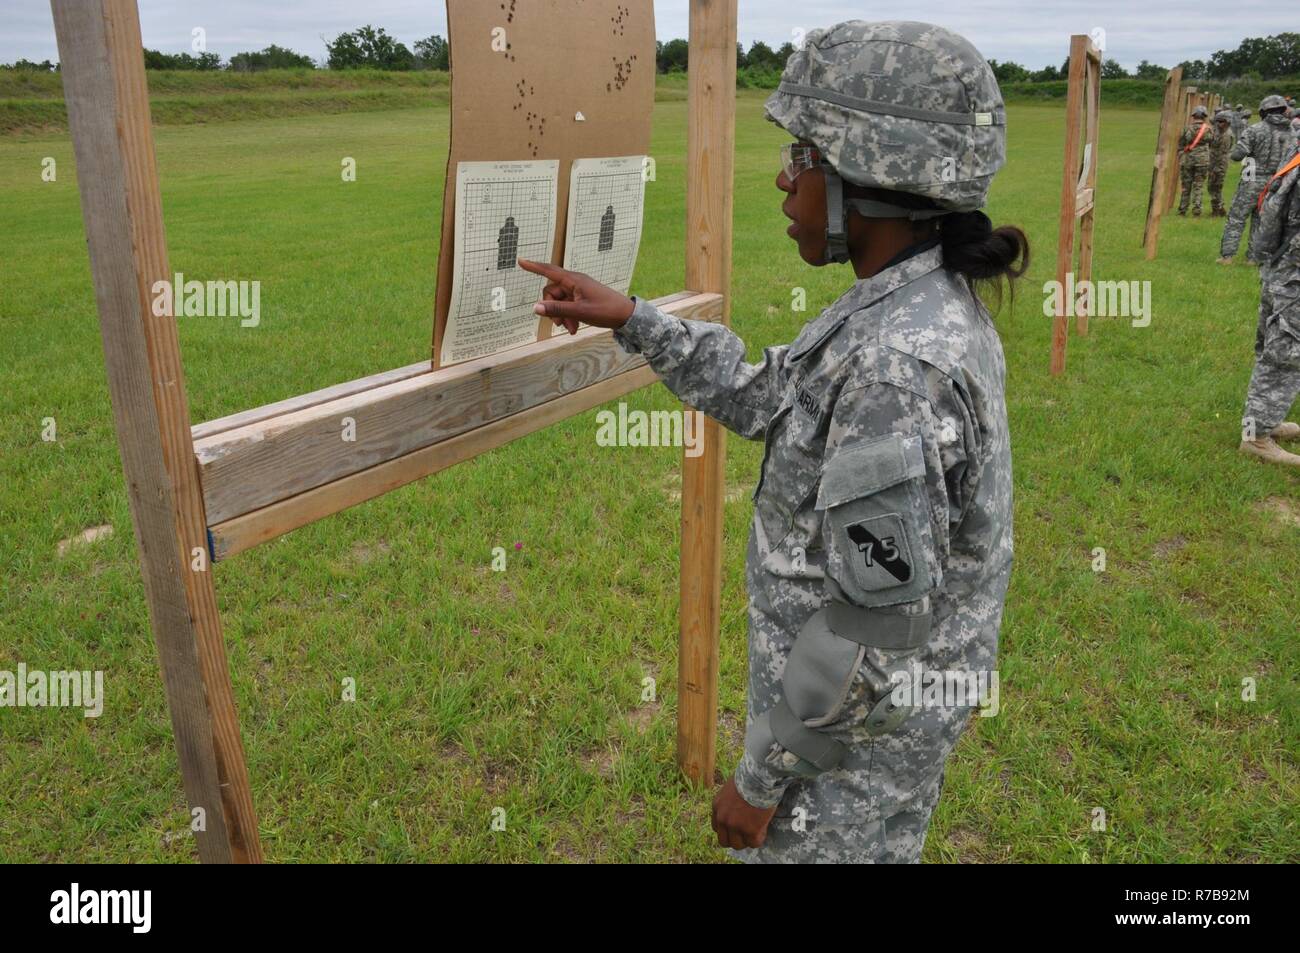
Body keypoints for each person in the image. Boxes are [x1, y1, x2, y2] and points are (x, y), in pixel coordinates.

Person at [521, 20, 1026, 863]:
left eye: (803, 157)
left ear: (869, 178)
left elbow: (875, 624)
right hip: (867, 729)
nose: (783, 179)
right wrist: (636, 319)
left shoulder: (898, 365)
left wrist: (762, 779)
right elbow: (770, 394)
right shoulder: (907, 300)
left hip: (844, 754)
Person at [1239, 136, 1300, 466]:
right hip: (1294, 273)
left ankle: (1262, 423)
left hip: (1283, 265)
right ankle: (1256, 437)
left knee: (1272, 349)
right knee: (1287, 353)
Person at [1219, 95, 1295, 264]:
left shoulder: (1255, 129)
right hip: (1277, 183)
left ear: (1263, 111)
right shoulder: (1292, 133)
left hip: (1252, 178)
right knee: (1261, 221)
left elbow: (1238, 155)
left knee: (1237, 218)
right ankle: (1253, 258)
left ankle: (1227, 256)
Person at [1178, 105, 1215, 216]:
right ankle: (1197, 209)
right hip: (1202, 161)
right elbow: (1212, 143)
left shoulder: (1186, 128)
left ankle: (1183, 209)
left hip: (1187, 160)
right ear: (1204, 116)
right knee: (1198, 185)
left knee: (1186, 186)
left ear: (1193, 116)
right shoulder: (1208, 129)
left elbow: (1181, 143)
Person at [1208, 110, 1234, 217]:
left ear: (1227, 122)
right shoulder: (1221, 131)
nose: (1219, 124)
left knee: (1214, 186)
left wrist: (1214, 168)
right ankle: (1219, 207)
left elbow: (1219, 153)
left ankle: (1217, 210)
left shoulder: (1226, 135)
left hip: (1218, 164)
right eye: (1218, 122)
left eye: (1221, 122)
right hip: (1215, 163)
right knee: (1213, 187)